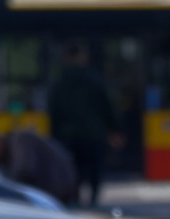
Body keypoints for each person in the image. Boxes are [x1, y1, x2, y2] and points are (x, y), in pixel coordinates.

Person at [48, 40, 119, 208]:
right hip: (93, 134)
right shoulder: (94, 79)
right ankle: (93, 200)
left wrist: (55, 136)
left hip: (69, 136)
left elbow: (54, 112)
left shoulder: (60, 81)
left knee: (74, 169)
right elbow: (106, 106)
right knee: (94, 169)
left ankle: (76, 199)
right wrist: (114, 128)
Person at [0, 130, 79, 206]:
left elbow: (23, 169)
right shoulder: (16, 142)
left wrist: (6, 186)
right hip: (57, 186)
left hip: (58, 186)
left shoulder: (19, 141)